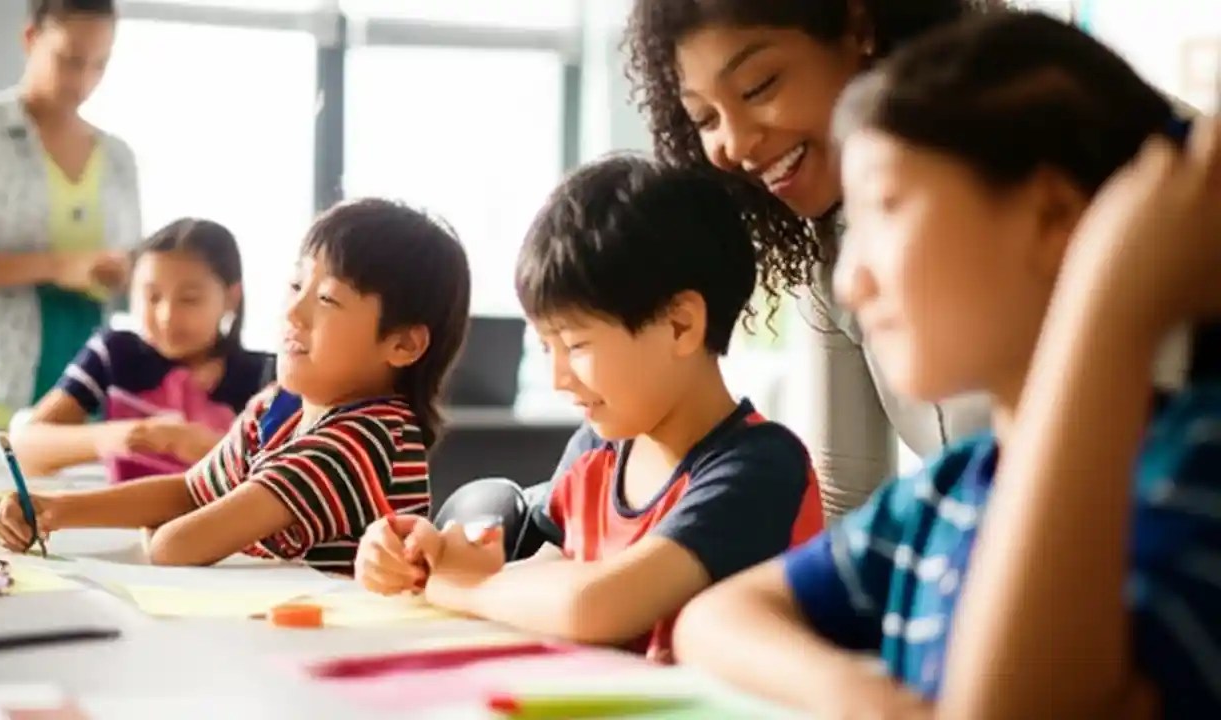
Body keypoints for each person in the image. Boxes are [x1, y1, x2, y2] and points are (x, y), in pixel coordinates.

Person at [671, 13, 1221, 718]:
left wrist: (1109, 307)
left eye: (888, 210)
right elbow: (717, 619)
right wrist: (873, 702)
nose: (850, 282)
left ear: (1054, 218)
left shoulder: (1196, 470)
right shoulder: (949, 491)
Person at [354, 156, 821, 662]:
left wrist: (460, 587)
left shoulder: (759, 468)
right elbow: (548, 575)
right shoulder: (595, 450)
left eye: (576, 345)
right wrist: (428, 561)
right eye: (547, 347)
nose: (559, 378)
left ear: (681, 326)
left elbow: (593, 606)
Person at [623, 0, 998, 518]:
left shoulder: (1032, 202)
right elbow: (846, 496)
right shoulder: (831, 252)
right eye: (704, 117)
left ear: (858, 26)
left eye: (759, 86)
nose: (734, 144)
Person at [0, 199, 471, 574]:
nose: (292, 312)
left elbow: (177, 545)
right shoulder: (276, 407)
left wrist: (156, 531)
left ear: (403, 344)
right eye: (295, 286)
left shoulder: (366, 438)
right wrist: (53, 509)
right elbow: (191, 490)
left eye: (326, 299)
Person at [0, 0, 141, 459]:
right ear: (31, 39)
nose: (84, 79)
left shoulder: (118, 159)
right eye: (70, 60)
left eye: (100, 63)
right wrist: (56, 266)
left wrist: (123, 274)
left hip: (84, 400)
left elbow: (136, 273)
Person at [10, 218, 271, 482]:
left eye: (189, 299)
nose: (167, 315)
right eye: (152, 297)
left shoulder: (267, 377)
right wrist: (119, 436)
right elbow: (24, 445)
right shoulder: (114, 354)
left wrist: (206, 446)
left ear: (231, 298)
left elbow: (288, 473)